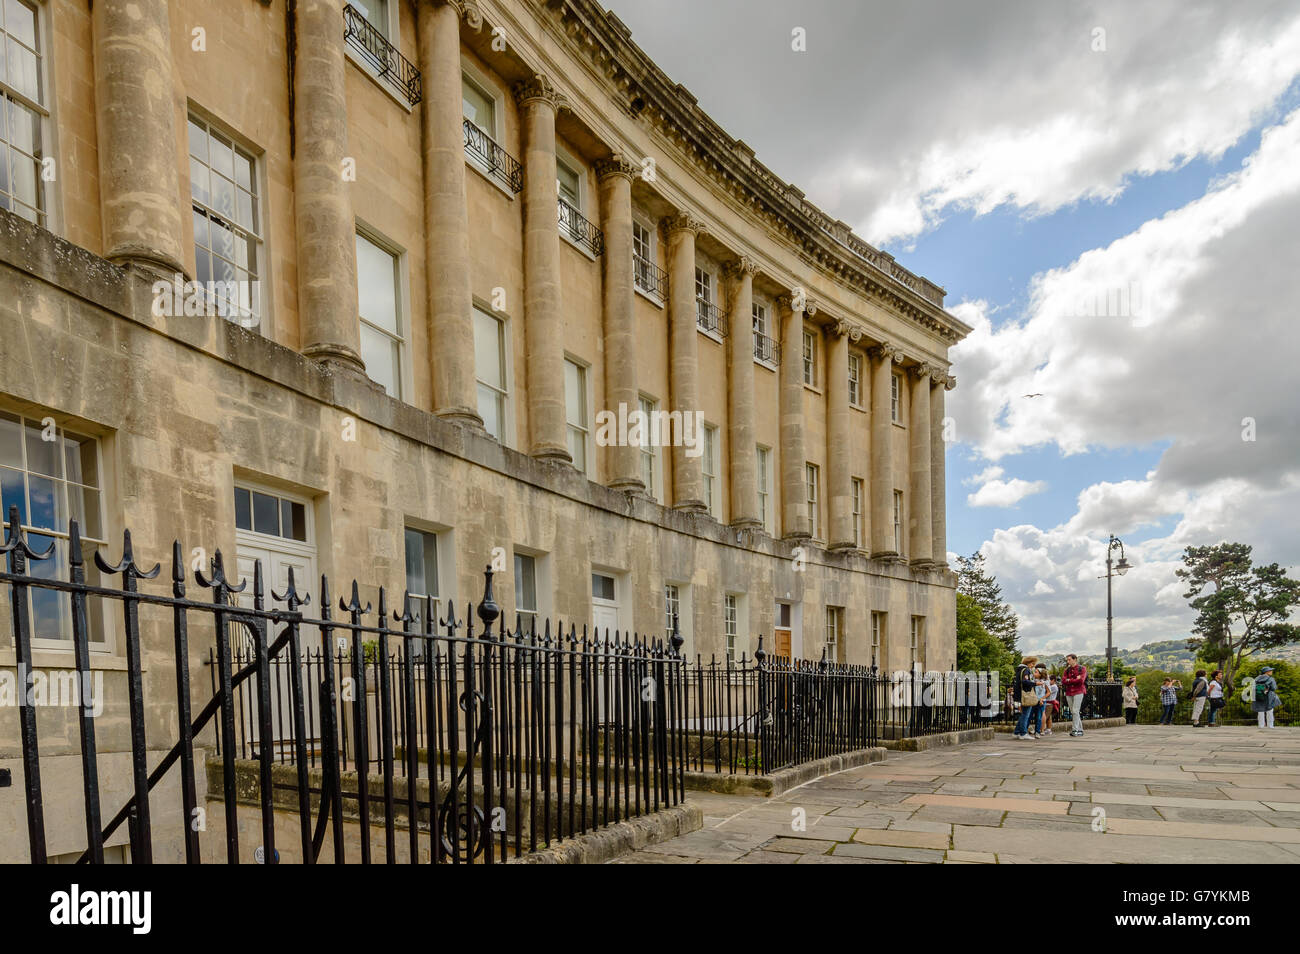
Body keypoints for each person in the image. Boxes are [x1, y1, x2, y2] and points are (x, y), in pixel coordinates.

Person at [1061, 654, 1088, 737]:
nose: (1068, 661)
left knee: (1076, 711)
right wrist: (1075, 679)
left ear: (1075, 659)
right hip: (1069, 692)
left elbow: (1081, 681)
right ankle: (1080, 730)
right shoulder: (1067, 670)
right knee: (1073, 712)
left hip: (1079, 691)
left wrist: (1069, 680)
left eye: (1069, 659)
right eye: (1067, 660)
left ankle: (1074, 730)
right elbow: (1063, 681)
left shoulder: (1082, 668)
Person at [1013, 656, 1039, 740]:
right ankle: (1023, 733)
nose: (1033, 666)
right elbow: (1025, 681)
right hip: (1026, 694)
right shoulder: (1026, 670)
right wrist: (1035, 684)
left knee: (1023, 714)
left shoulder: (1019, 669)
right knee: (1025, 714)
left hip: (1019, 694)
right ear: (1028, 663)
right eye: (1032, 664)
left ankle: (1017, 732)